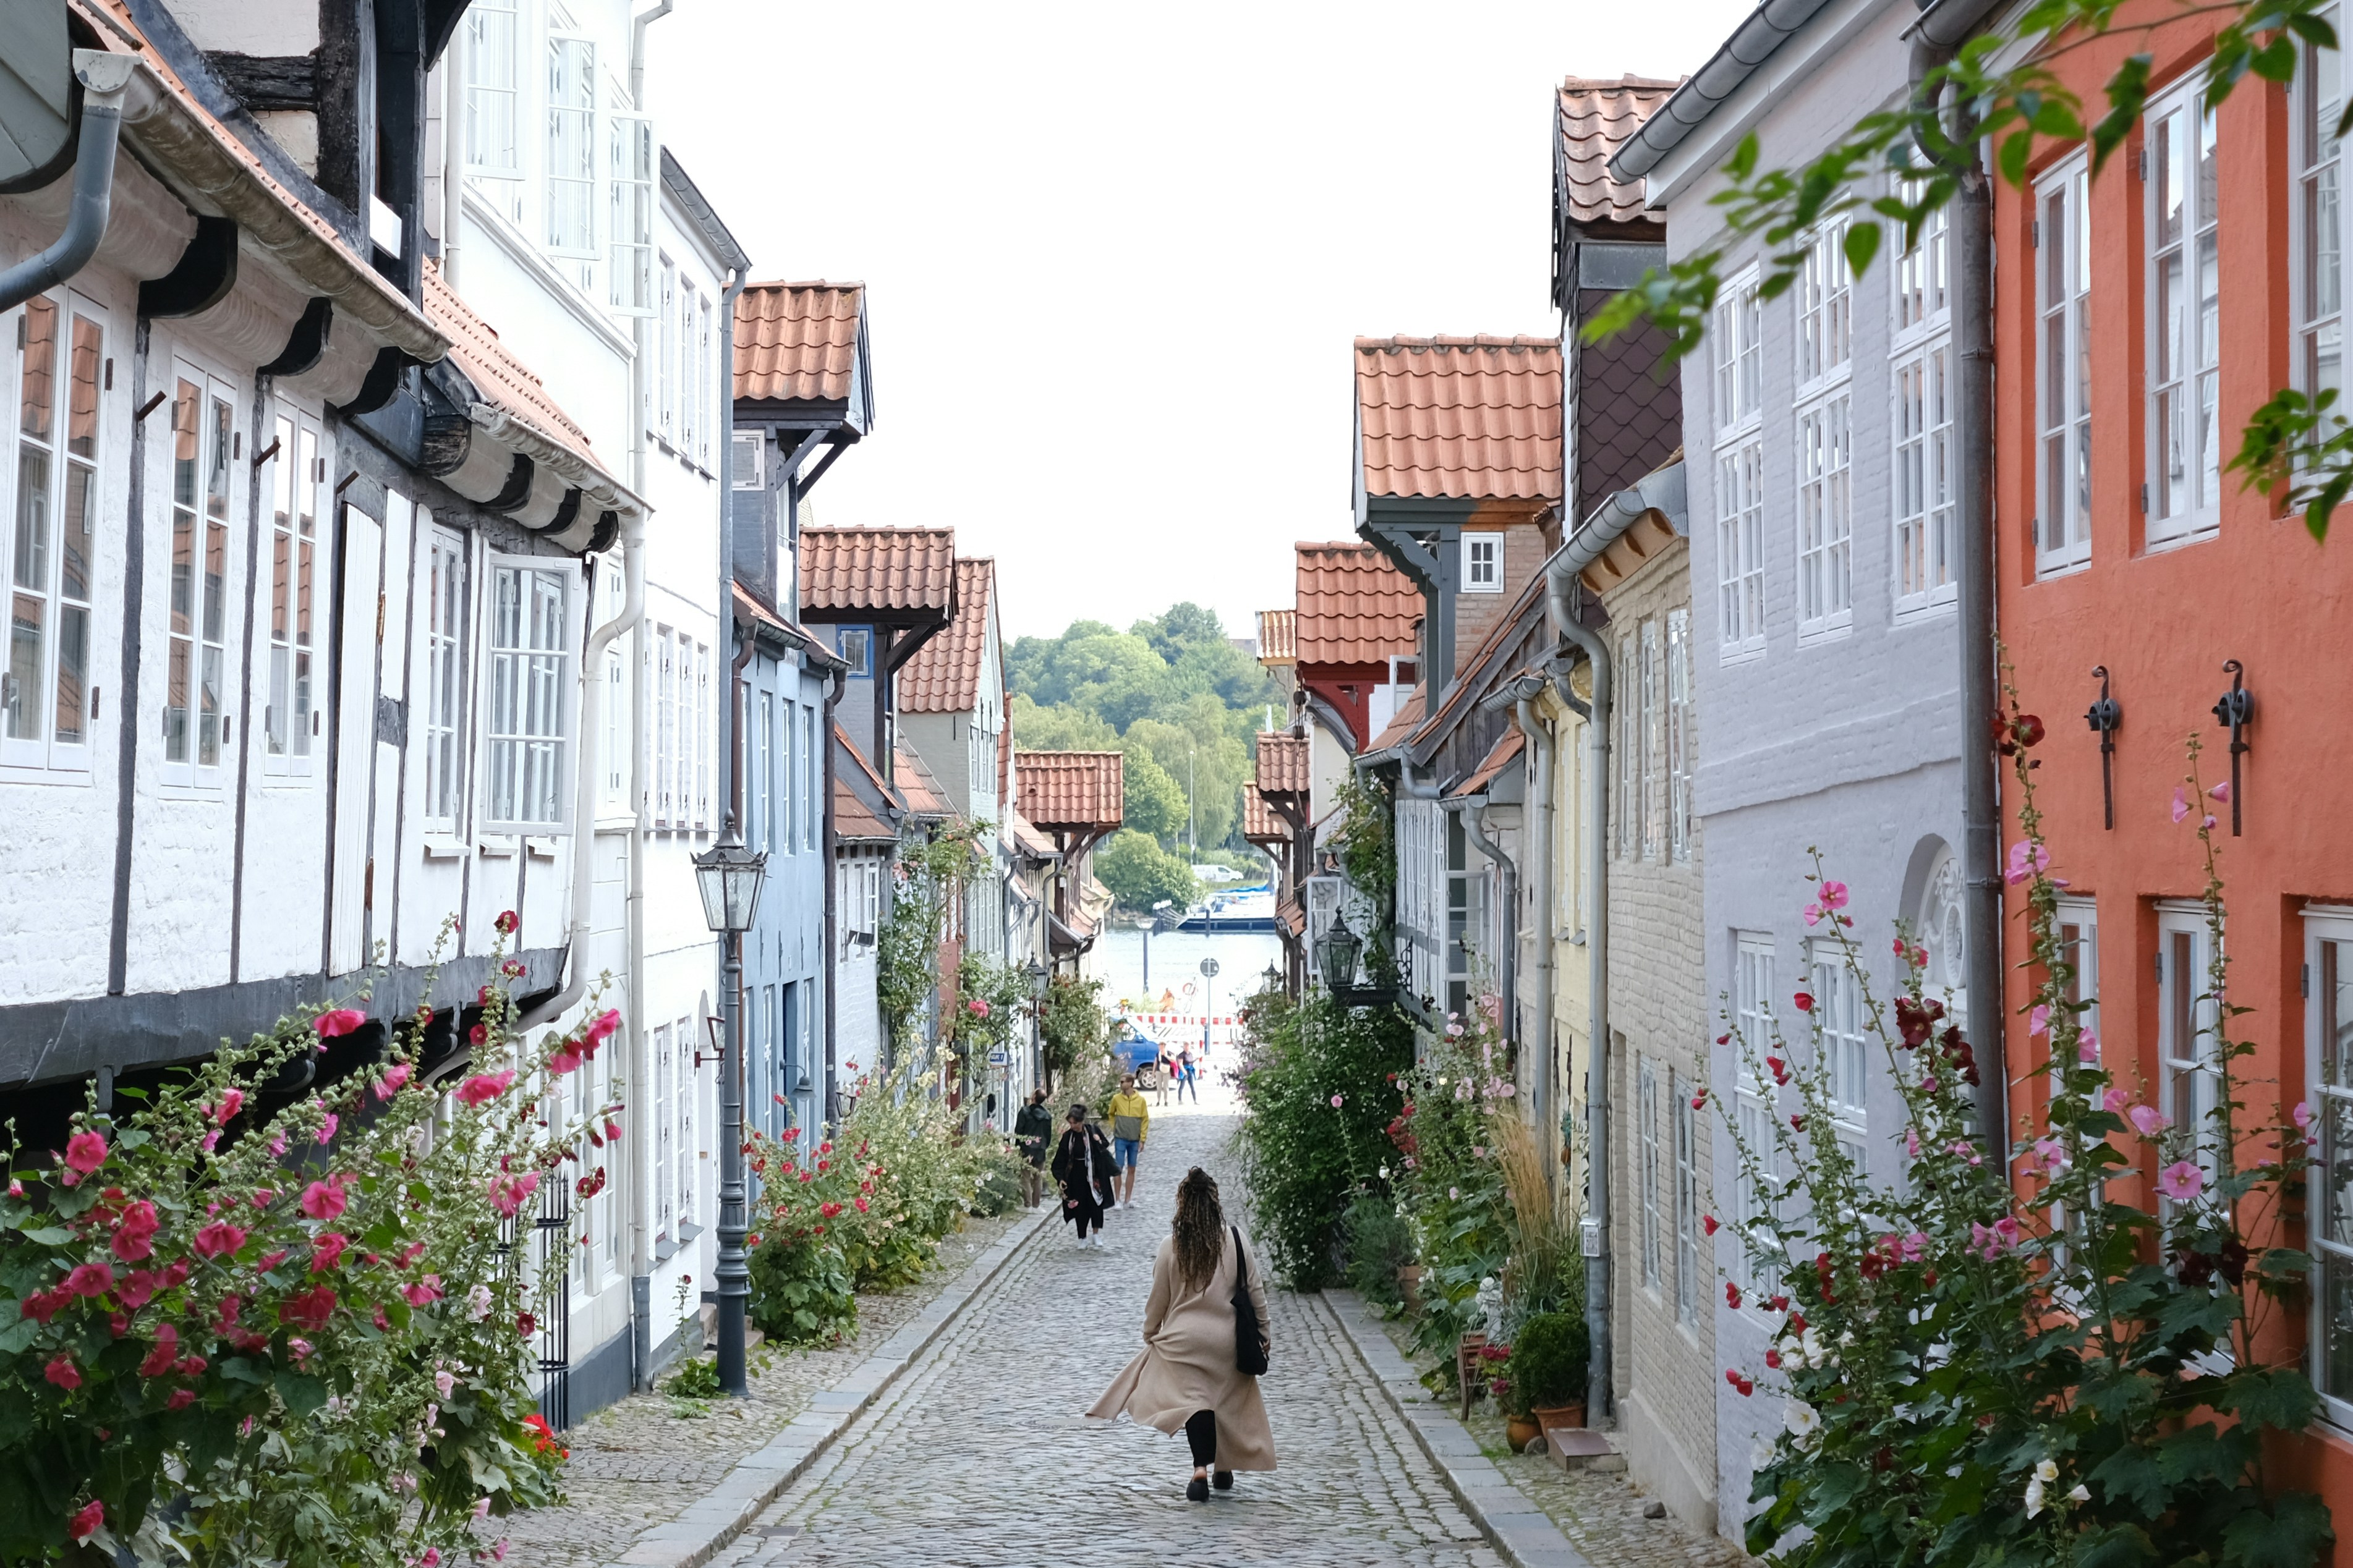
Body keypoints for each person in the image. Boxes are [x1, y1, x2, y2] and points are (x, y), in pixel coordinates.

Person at [1087, 1166, 1275, 1499]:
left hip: (1183, 1343)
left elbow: (1157, 1299)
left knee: (1196, 1404)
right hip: (1227, 1341)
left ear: (1182, 1205)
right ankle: (1225, 1468)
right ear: (1215, 1203)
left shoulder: (1170, 1247)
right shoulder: (1235, 1240)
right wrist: (1264, 1331)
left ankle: (1201, 1470)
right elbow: (1256, 1292)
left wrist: (1151, 1333)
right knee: (1227, 1400)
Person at [1050, 1104, 1115, 1247]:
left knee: (1096, 1204)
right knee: (1080, 1207)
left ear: (1082, 1121)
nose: (1073, 1126)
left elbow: (1104, 1146)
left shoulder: (1092, 1131)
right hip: (1076, 1176)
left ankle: (1096, 1235)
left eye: (1076, 1123)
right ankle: (1082, 1237)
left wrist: (1098, 1141)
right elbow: (1060, 1158)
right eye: (1071, 1123)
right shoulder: (1068, 1137)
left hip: (1094, 1175)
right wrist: (1061, 1178)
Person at [1106, 1074, 1151, 1208]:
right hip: (1121, 1138)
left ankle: (1128, 1199)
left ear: (1131, 1083)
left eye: (1123, 1082)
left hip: (1134, 1139)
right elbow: (1111, 1114)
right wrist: (1115, 1127)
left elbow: (1145, 1119)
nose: (1121, 1084)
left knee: (1132, 1168)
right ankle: (1117, 1200)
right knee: (1118, 1168)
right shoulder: (1116, 1099)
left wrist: (1143, 1139)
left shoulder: (1141, 1100)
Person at [1013, 1089, 1054, 1208]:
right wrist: (1043, 1146)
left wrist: (1018, 1145)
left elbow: (1019, 1131)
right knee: (1038, 1177)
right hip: (1040, 1149)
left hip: (1026, 1148)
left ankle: (1028, 1204)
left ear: (1034, 1097)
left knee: (1025, 1176)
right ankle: (1036, 1204)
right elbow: (1048, 1135)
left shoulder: (1025, 1112)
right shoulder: (1047, 1116)